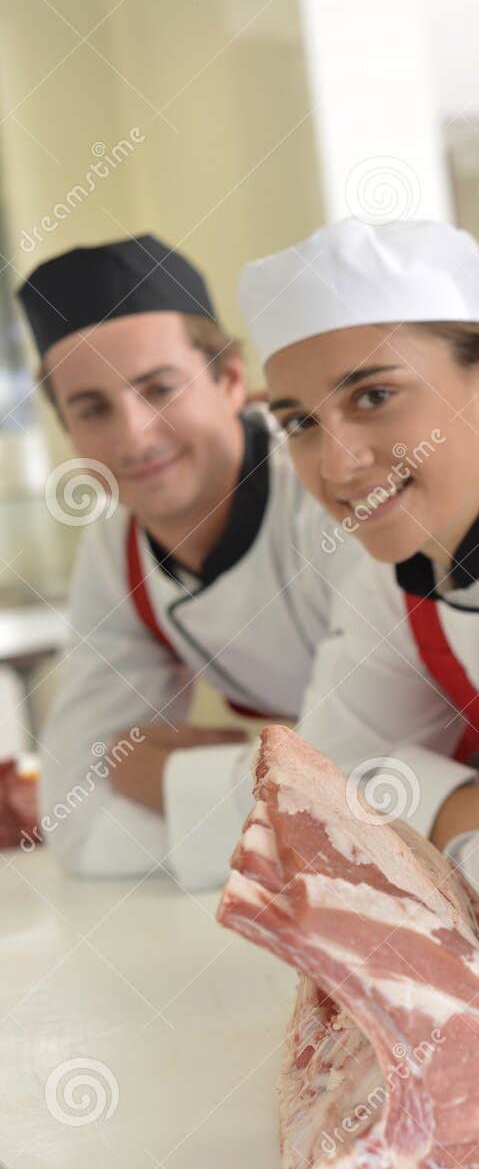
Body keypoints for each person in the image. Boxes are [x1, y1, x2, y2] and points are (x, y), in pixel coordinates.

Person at [237, 218, 479, 937]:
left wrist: (442, 815)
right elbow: (314, 808)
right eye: (301, 423)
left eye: (373, 397)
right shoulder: (396, 567)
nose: (338, 464)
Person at [23, 235, 339, 888]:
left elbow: (380, 784)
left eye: (159, 388)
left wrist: (165, 775)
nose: (134, 436)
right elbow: (76, 817)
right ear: (67, 429)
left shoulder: (326, 490)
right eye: (92, 409)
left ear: (228, 380)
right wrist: (291, 784)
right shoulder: (117, 547)